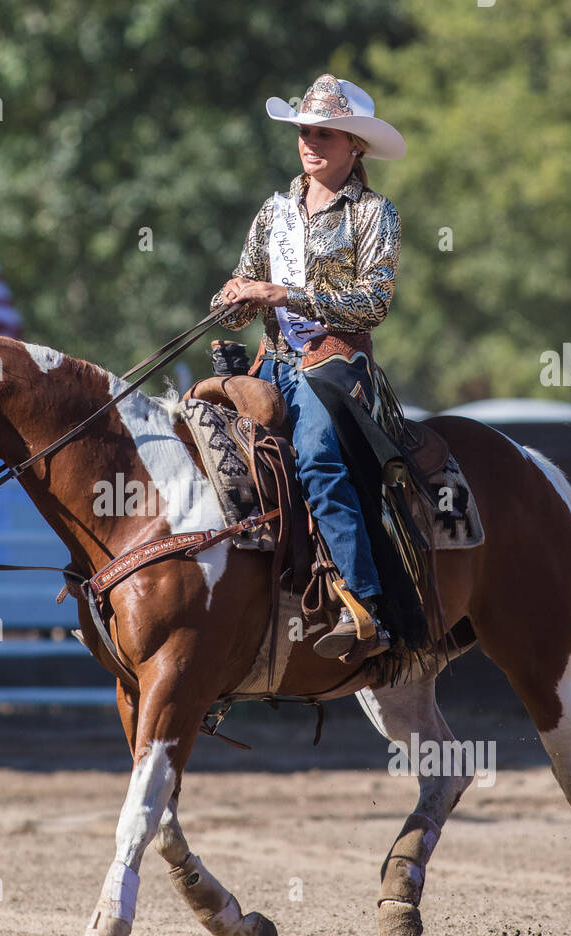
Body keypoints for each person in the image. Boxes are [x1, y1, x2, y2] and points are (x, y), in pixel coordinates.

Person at [210, 72, 406, 661]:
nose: (311, 142)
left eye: (326, 133)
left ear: (355, 148)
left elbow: (374, 304)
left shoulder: (374, 213)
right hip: (273, 363)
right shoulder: (274, 213)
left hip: (337, 366)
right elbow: (240, 306)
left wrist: (285, 295)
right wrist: (232, 300)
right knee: (204, 436)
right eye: (305, 132)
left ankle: (364, 605)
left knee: (320, 456)